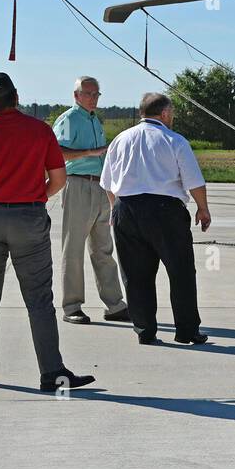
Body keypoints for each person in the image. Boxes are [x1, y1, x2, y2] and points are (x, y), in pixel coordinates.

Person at [0, 72, 96, 392]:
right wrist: (35, 199)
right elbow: (58, 178)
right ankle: (51, 373)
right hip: (29, 217)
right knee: (39, 299)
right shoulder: (39, 131)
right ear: (16, 96)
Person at [100, 92, 211, 346]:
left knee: (136, 274)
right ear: (165, 113)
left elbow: (107, 182)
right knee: (180, 271)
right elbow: (194, 181)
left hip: (125, 208)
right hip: (165, 210)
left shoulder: (120, 139)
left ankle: (144, 330)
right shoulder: (174, 140)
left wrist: (114, 211)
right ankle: (186, 330)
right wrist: (203, 209)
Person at [52, 76, 130, 325]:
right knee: (73, 248)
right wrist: (89, 152)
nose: (94, 98)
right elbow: (56, 153)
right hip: (78, 185)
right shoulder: (69, 119)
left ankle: (114, 304)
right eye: (89, 94)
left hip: (100, 186)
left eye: (97, 94)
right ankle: (72, 306)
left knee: (103, 249)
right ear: (76, 95)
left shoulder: (95, 119)